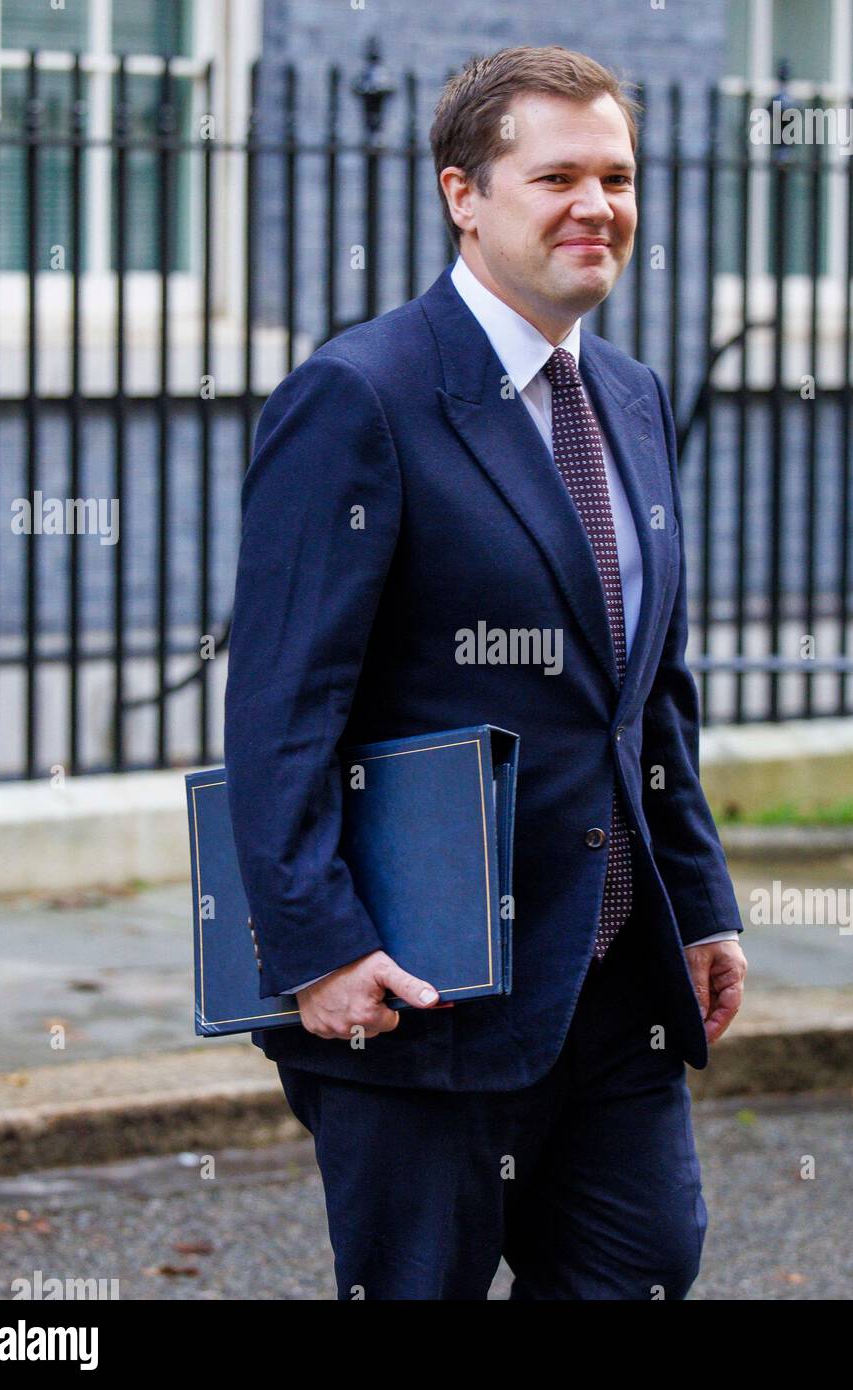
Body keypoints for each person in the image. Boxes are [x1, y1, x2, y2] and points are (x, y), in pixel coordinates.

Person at [224, 44, 747, 1301]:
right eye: (556, 175)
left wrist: (703, 896)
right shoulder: (359, 395)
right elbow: (282, 705)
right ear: (464, 194)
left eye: (617, 177)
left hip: (614, 980)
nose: (598, 206)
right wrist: (317, 946)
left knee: (643, 1267)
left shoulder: (631, 395)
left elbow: (648, 690)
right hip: (426, 990)